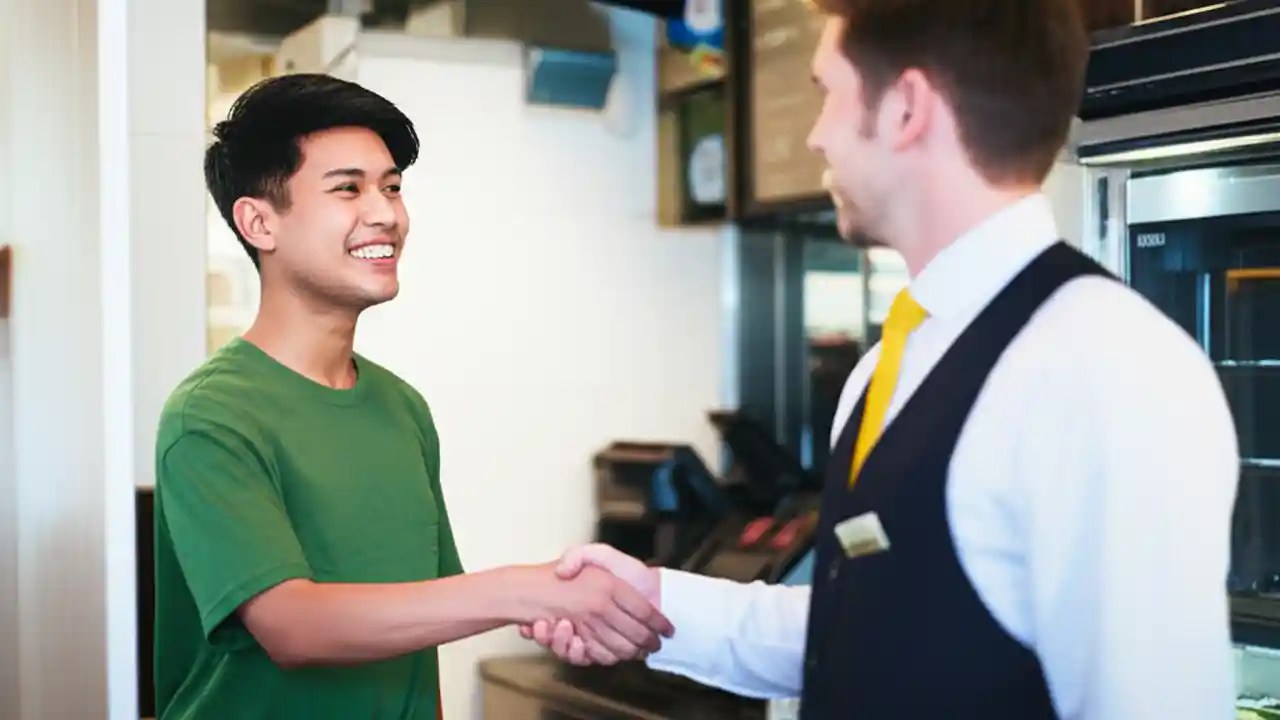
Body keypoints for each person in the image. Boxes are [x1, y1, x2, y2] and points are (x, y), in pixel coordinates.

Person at [525, 0, 1240, 717]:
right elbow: (860, 625)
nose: (815, 137)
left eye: (828, 94)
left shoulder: (1106, 364)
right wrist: (651, 601)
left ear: (906, 108)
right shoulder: (893, 361)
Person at [153, 73, 672, 720]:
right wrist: (525, 591)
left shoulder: (402, 408)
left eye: (392, 187)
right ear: (259, 222)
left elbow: (423, 619)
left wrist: (553, 603)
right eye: (348, 188)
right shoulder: (211, 414)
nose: (387, 213)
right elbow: (294, 627)